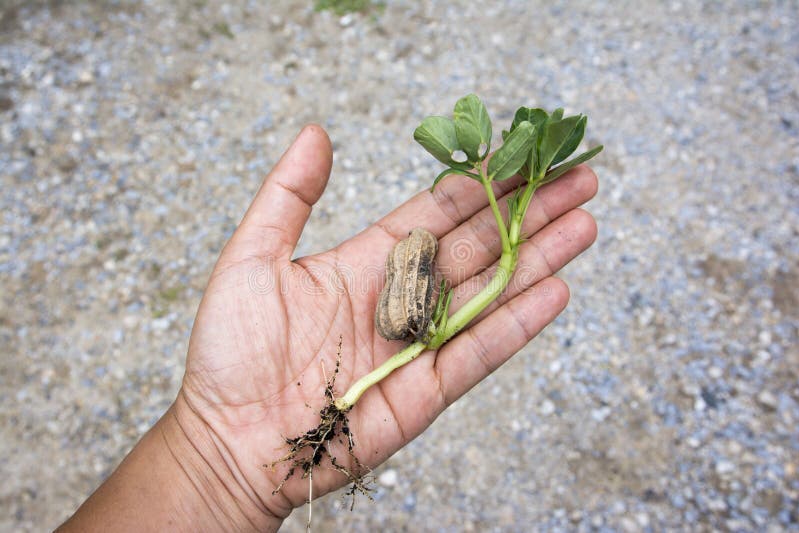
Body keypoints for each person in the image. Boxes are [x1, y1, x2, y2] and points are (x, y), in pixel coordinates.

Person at [57, 125, 598, 532]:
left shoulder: (416, 282)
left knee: (492, 279)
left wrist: (215, 471)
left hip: (405, 324)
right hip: (399, 328)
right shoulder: (408, 288)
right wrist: (214, 458)